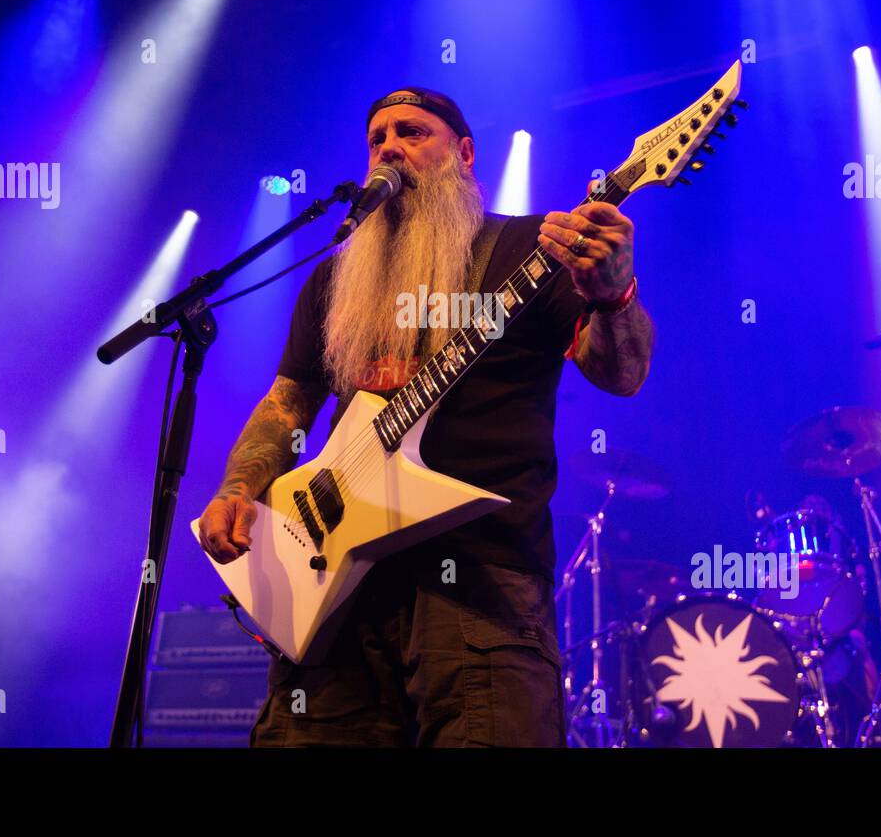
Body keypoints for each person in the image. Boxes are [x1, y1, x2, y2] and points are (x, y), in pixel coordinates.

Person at [197, 87, 654, 746]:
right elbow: (285, 405)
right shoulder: (334, 280)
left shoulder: (532, 249)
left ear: (464, 154)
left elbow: (625, 373)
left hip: (478, 586)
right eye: (377, 137)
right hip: (334, 594)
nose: (388, 146)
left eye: (412, 132)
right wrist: (238, 489)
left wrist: (614, 296)